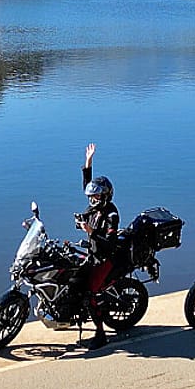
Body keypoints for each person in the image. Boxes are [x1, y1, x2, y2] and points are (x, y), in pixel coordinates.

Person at [75, 143, 119, 349]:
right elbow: (87, 184)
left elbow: (109, 244)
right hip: (91, 252)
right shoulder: (93, 207)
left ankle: (100, 334)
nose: (93, 199)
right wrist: (88, 161)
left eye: (97, 196)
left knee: (89, 293)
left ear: (106, 196)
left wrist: (90, 232)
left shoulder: (111, 214)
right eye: (91, 196)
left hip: (105, 258)